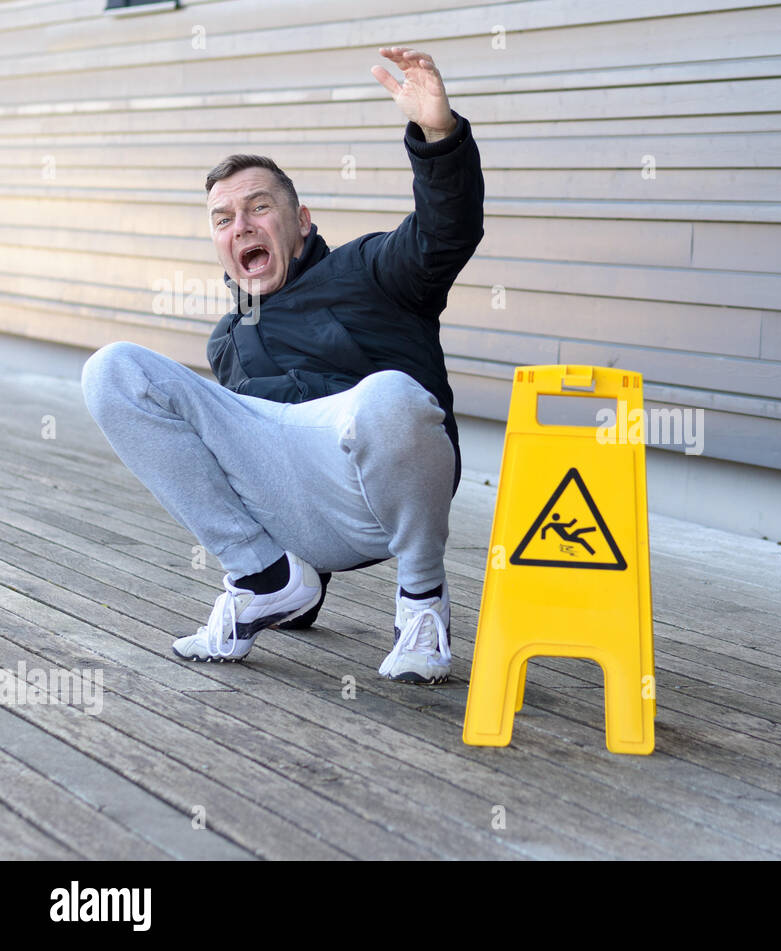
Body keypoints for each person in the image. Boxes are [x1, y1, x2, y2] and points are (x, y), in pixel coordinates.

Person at [80, 47, 484, 685]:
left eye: (258, 207)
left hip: (384, 487)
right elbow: (257, 457)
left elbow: (447, 232)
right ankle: (264, 577)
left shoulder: (372, 269)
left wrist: (438, 135)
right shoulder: (230, 341)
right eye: (224, 218)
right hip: (302, 509)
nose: (241, 225)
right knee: (114, 369)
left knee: (387, 398)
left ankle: (422, 600)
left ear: (301, 222)